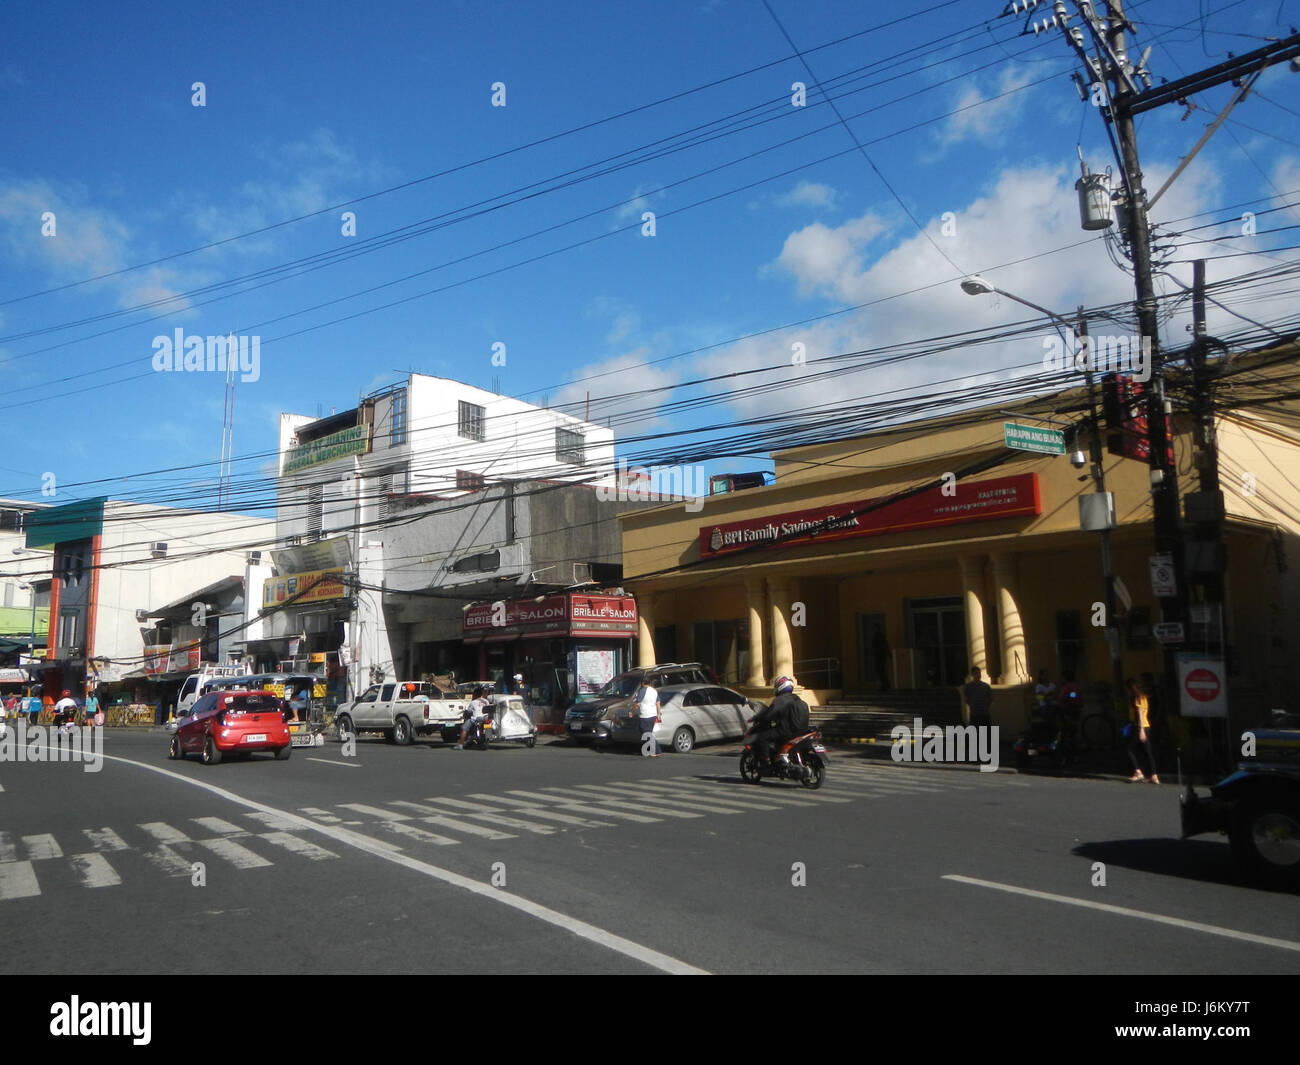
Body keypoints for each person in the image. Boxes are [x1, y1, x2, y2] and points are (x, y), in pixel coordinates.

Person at [751, 676, 809, 766]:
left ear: (780, 686)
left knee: (762, 737)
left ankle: (766, 762)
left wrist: (757, 718)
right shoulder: (798, 699)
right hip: (801, 732)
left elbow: (769, 714)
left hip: (786, 731)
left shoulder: (781, 700)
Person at [1125, 677, 1160, 784]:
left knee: (1129, 749)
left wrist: (1141, 731)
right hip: (1147, 726)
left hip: (1140, 727)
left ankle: (1138, 771)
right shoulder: (1144, 697)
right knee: (1147, 751)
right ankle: (1154, 775)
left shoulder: (1137, 699)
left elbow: (1140, 714)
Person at [634, 680, 661, 756]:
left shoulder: (642, 690)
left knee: (647, 733)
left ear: (642, 683)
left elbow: (638, 703)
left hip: (645, 715)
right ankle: (648, 750)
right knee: (648, 732)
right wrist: (658, 714)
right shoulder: (654, 691)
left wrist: (632, 711)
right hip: (653, 714)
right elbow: (658, 703)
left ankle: (656, 751)